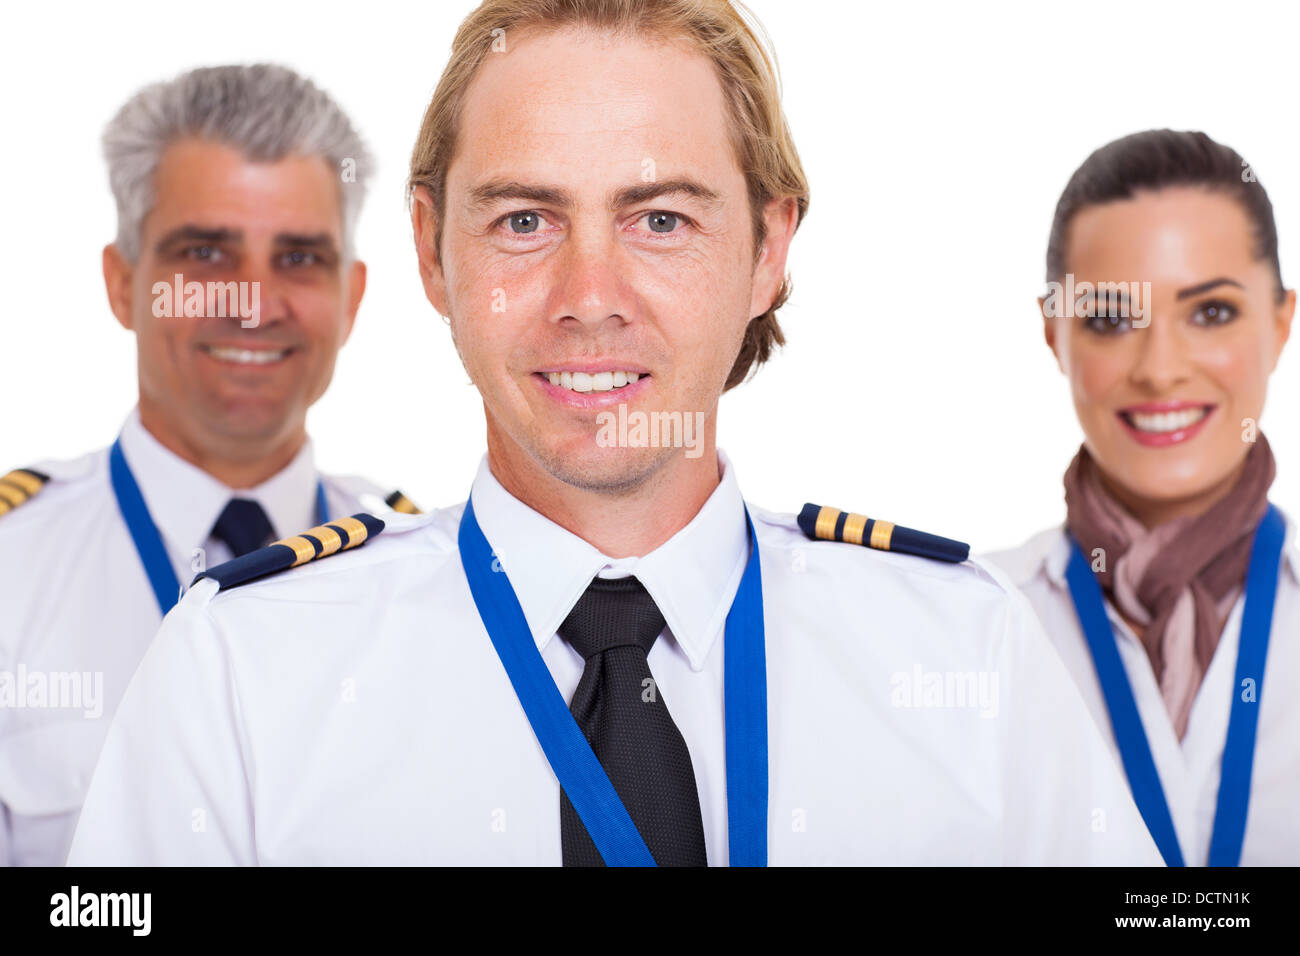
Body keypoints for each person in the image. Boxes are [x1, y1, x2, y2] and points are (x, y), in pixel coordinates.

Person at [67, 0, 1157, 866]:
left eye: (660, 219)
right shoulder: (240, 673)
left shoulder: (968, 653)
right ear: (433, 253)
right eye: (524, 219)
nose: (590, 296)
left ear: (767, 249)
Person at [0, 63, 420, 866]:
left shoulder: (427, 574)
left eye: (299, 258)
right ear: (122, 283)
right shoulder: (10, 572)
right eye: (205, 253)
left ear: (351, 297)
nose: (252, 304)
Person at [987, 130, 1297, 866]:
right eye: (1109, 319)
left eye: (1210, 312)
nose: (1160, 370)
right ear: (1054, 332)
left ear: (1281, 323)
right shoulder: (978, 620)